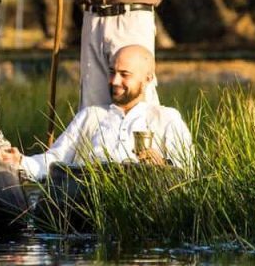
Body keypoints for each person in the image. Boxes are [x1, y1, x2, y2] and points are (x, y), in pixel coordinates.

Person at [17, 45, 191, 180]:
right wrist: (20, 162)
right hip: (89, 205)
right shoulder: (91, 116)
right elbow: (54, 160)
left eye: (125, 75)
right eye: (112, 72)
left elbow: (188, 172)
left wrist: (162, 168)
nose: (115, 81)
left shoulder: (166, 118)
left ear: (148, 79)